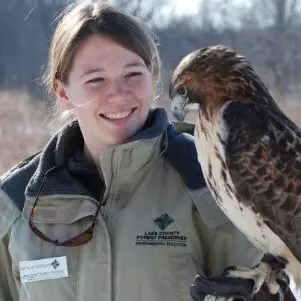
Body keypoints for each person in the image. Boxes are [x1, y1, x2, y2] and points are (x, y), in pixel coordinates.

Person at [0, 2, 263, 301]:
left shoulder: (208, 180)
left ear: (151, 76)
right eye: (95, 79)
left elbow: (266, 282)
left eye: (133, 74)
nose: (118, 94)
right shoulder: (15, 204)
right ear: (63, 92)